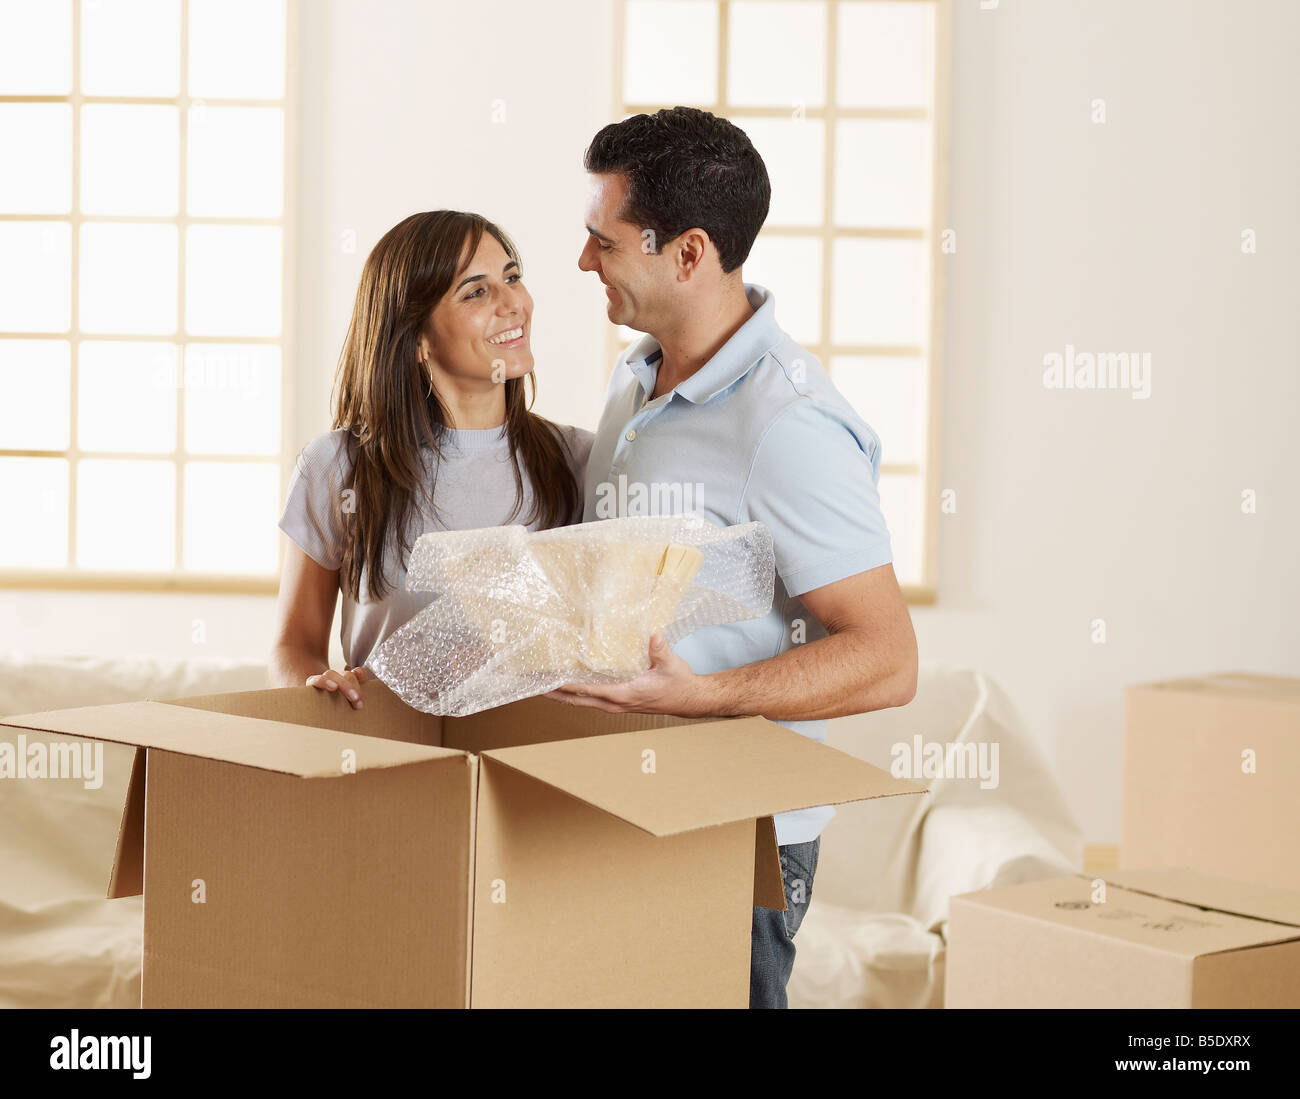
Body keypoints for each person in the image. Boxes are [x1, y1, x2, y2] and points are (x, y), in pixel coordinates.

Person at [547, 106, 919, 1008]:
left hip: (735, 830)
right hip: (623, 807)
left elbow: (888, 658)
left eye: (605, 241)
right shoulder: (638, 372)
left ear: (688, 253)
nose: (584, 261)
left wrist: (704, 696)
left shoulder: (790, 425)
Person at [271, 210, 593, 703]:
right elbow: (294, 646)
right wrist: (319, 686)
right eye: (476, 291)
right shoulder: (337, 467)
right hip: (388, 757)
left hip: (533, 756)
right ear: (418, 338)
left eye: (511, 277)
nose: (513, 303)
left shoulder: (578, 460)